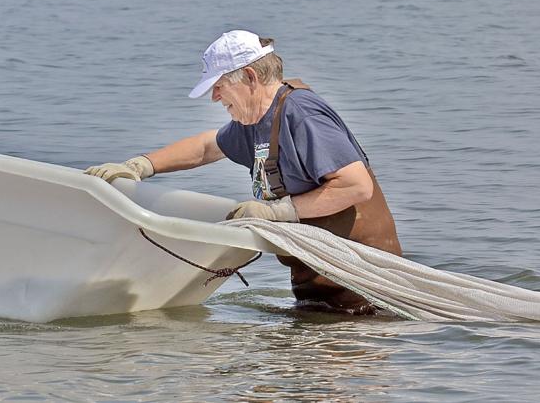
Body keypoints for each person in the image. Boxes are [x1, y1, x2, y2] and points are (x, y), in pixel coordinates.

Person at [85, 29, 401, 314]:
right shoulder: (256, 122)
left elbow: (356, 185)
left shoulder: (302, 113)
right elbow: (206, 147)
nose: (214, 97)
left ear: (250, 77)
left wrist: (277, 213)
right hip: (322, 294)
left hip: (366, 293)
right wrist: (139, 166)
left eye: (219, 86)